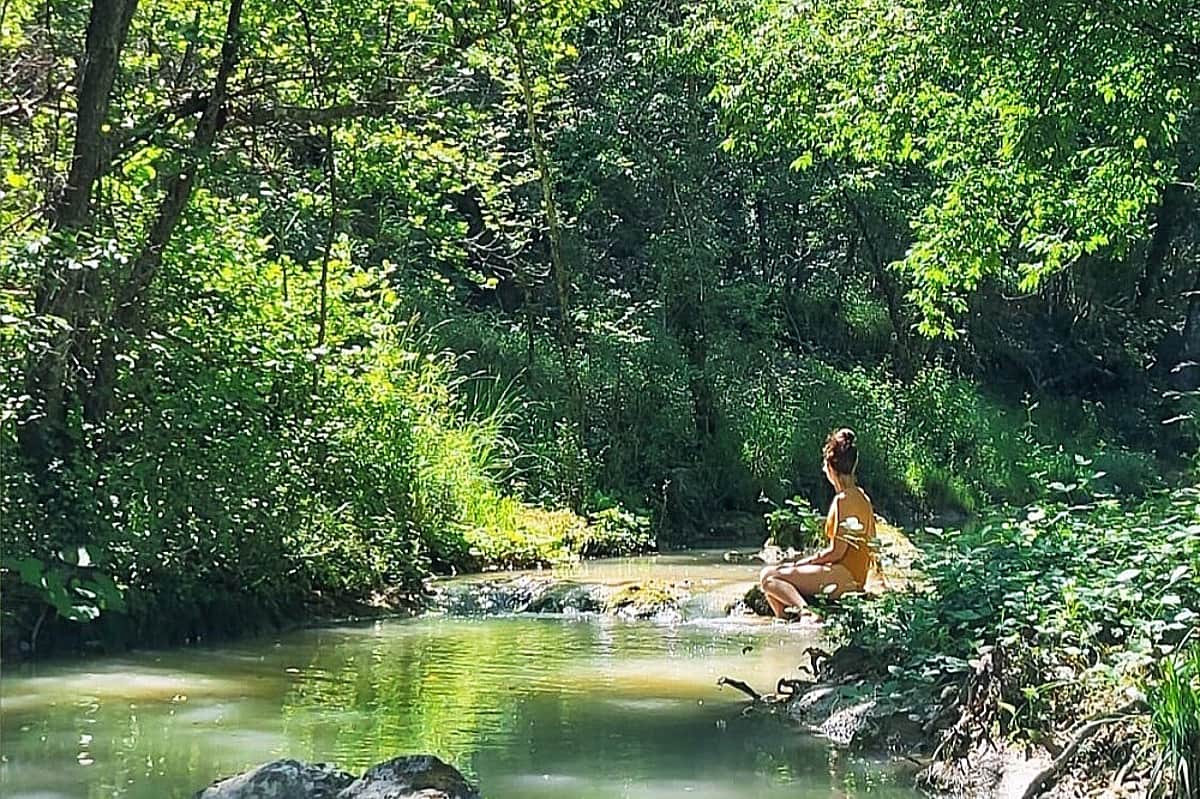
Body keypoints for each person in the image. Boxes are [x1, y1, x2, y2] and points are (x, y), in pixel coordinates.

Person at [759, 428, 876, 620]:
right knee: (771, 580)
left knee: (770, 577)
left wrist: (801, 563)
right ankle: (785, 619)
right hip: (854, 575)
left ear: (830, 467)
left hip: (845, 576)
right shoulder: (862, 496)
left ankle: (807, 613)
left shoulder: (844, 500)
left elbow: (837, 552)